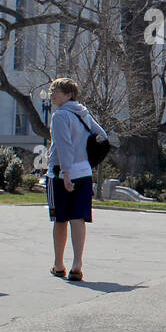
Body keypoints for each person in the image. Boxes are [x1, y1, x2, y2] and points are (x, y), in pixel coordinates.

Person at [46, 78, 107, 282]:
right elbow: (102, 136)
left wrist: (66, 174)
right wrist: (86, 161)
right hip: (84, 172)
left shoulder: (60, 115)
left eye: (58, 91)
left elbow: (64, 146)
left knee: (60, 219)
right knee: (78, 218)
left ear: (69, 94)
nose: (53, 94)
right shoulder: (83, 113)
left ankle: (59, 264)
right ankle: (77, 265)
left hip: (60, 174)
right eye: (52, 90)